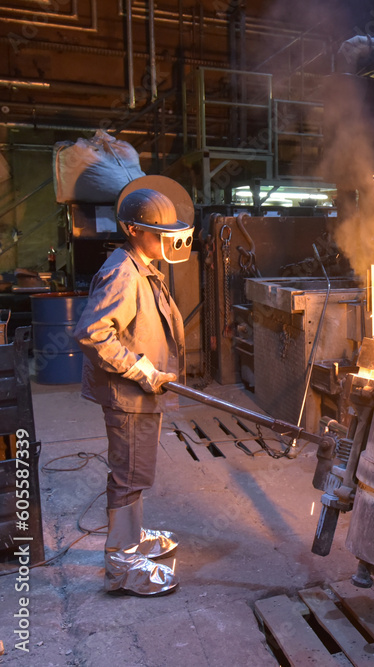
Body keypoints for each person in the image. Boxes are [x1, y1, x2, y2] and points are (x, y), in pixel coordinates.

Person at [75, 187, 193, 597]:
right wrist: (141, 368)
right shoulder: (124, 272)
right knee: (128, 476)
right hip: (128, 396)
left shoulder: (142, 264)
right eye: (157, 232)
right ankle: (122, 564)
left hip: (142, 394)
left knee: (136, 472)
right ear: (131, 229)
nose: (167, 240)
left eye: (170, 232)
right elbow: (93, 333)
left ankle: (133, 535)